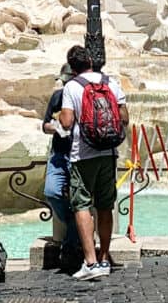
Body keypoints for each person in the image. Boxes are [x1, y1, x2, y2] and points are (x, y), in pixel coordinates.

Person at [57, 44, 128, 281]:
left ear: (71, 67)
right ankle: (105, 258)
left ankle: (91, 262)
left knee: (82, 205)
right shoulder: (111, 82)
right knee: (105, 205)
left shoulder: (72, 87)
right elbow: (125, 117)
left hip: (83, 154)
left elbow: (66, 123)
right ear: (90, 60)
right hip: (108, 153)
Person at [41, 63, 79, 271]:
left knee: (80, 200)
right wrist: (53, 127)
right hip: (59, 153)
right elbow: (44, 123)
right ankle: (73, 223)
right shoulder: (57, 97)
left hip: (79, 154)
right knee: (52, 192)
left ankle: (70, 245)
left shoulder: (81, 97)